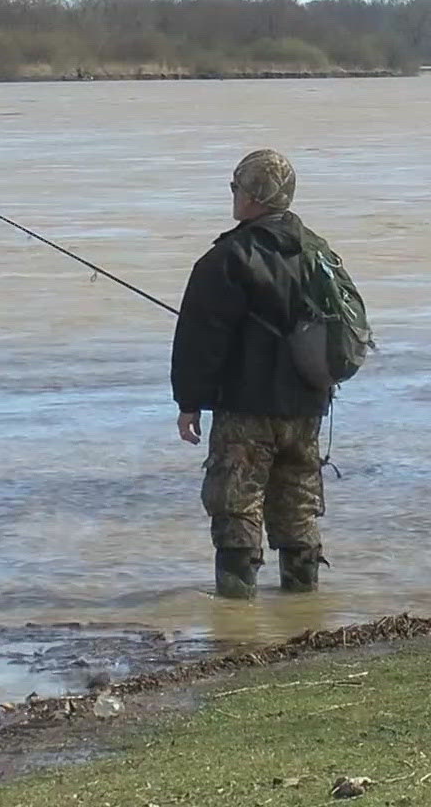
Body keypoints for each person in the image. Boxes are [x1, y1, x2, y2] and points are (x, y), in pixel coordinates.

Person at [172, 149, 334, 598]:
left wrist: (189, 402)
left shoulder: (227, 258)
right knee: (298, 504)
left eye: (235, 187)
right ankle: (304, 613)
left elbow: (199, 339)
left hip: (246, 409)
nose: (233, 196)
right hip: (307, 406)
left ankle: (236, 615)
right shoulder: (317, 251)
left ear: (253, 196)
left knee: (236, 505)